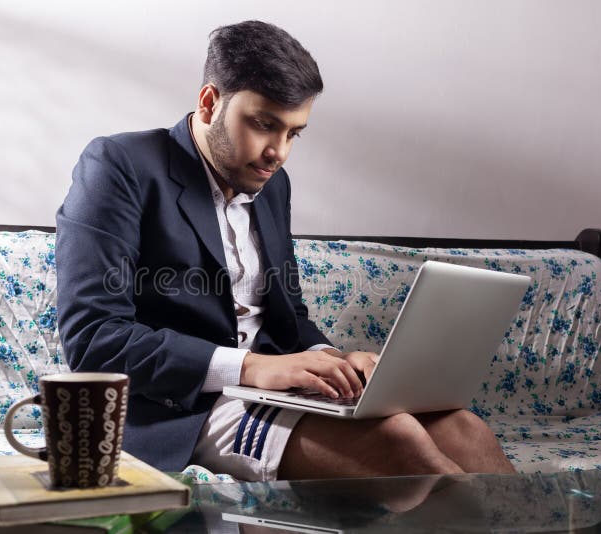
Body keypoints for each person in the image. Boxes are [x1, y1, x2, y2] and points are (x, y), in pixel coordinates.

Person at [56, 20, 515, 481]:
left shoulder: (272, 186)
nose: (279, 152)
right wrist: (253, 368)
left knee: (463, 429)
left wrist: (333, 361)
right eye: (263, 125)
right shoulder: (118, 166)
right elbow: (93, 339)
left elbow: (288, 314)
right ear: (210, 102)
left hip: (274, 390)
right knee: (399, 441)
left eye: (294, 133)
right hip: (180, 409)